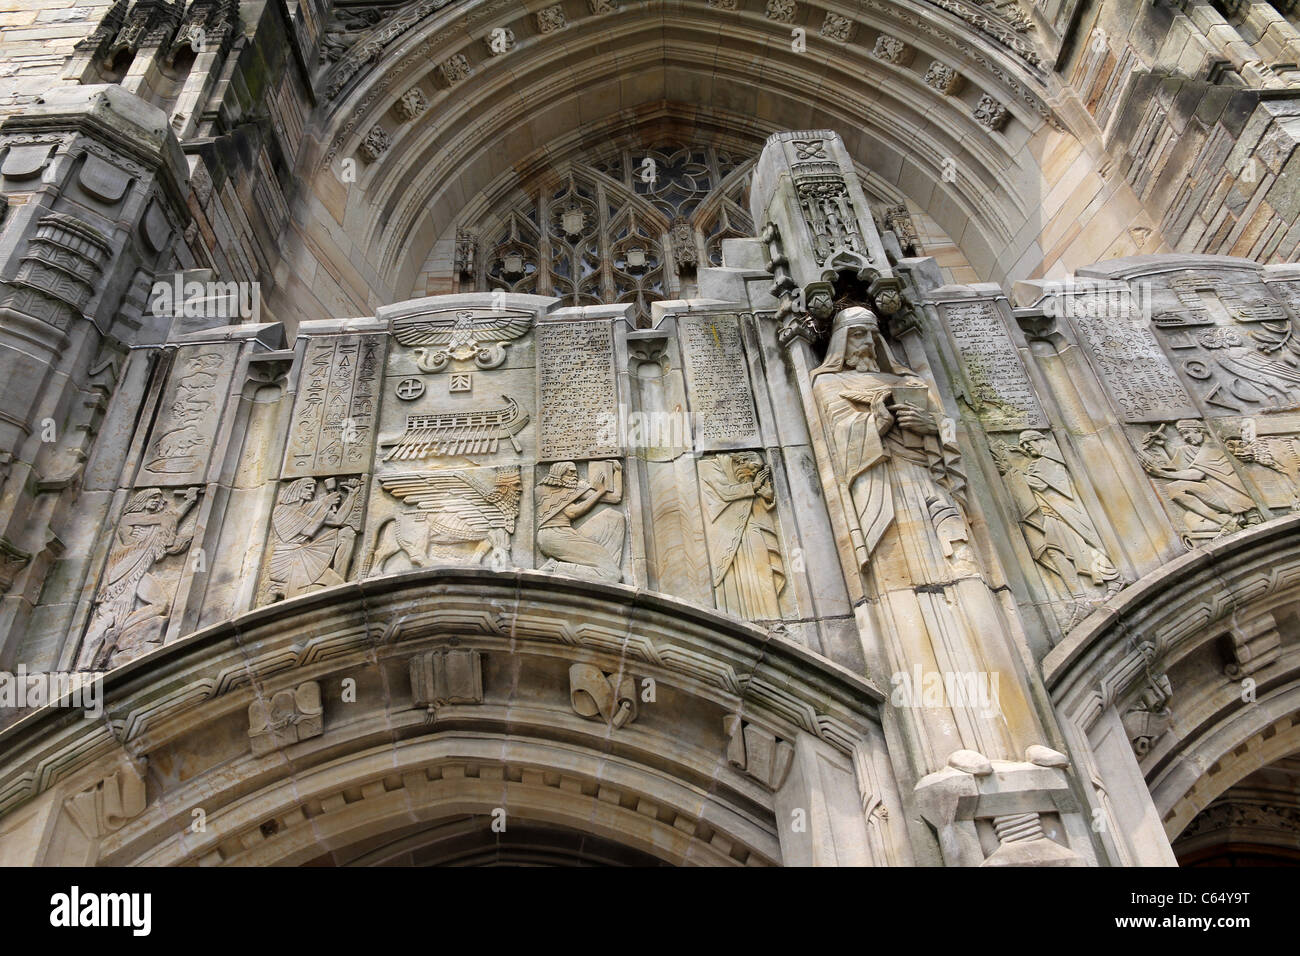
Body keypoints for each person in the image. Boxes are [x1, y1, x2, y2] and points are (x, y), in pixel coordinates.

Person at [810, 306, 972, 586]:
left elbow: (948, 427)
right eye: (858, 335)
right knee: (896, 555)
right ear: (841, 341)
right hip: (878, 478)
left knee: (957, 547)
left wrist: (931, 427)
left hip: (926, 473)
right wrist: (878, 424)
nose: (868, 343)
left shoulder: (909, 380)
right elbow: (838, 437)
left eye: (874, 335)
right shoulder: (828, 382)